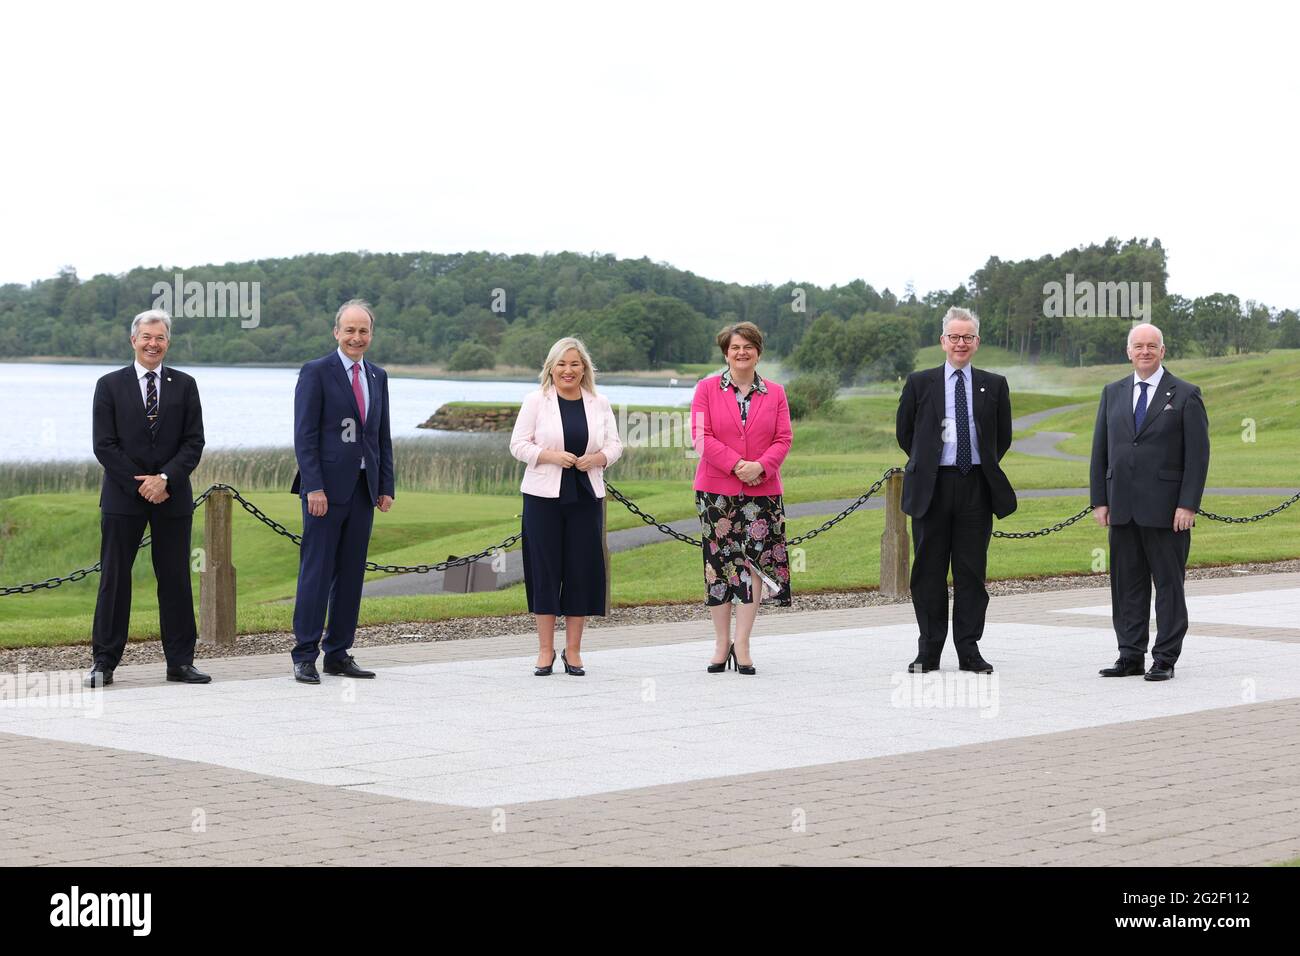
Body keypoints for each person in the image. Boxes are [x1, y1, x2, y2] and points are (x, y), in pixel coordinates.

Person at [86, 309, 210, 687]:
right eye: (146, 337)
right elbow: (104, 445)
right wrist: (141, 483)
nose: (153, 344)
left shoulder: (185, 385)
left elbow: (194, 442)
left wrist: (165, 479)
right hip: (123, 497)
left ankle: (180, 662)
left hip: (172, 496)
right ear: (133, 341)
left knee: (174, 578)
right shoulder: (109, 385)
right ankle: (104, 662)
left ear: (167, 342)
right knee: (115, 578)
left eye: (160, 338)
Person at [896, 307, 1016, 674]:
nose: (960, 343)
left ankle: (969, 649)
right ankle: (928, 651)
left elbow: (1002, 437)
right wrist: (930, 462)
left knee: (970, 573)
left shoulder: (993, 384)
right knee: (928, 572)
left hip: (975, 487)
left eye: (967, 337)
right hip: (932, 487)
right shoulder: (920, 383)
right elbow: (906, 433)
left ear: (976, 342)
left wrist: (977, 466)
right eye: (954, 336)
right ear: (942, 341)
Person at [1090, 322, 1209, 681]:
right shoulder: (1112, 392)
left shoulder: (1185, 394)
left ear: (1163, 351)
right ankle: (1129, 654)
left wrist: (1188, 504)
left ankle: (1165, 658)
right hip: (1122, 508)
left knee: (1169, 585)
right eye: (1138, 346)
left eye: (1151, 346)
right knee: (1126, 584)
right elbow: (1101, 451)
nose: (1144, 351)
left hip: (1167, 511)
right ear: (1128, 351)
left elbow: (1198, 457)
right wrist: (1100, 499)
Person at [289, 299, 394, 684]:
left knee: (351, 574)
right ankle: (304, 654)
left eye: (363, 330)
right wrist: (313, 486)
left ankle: (337, 653)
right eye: (349, 330)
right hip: (324, 493)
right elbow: (305, 436)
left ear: (371, 334)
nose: (356, 337)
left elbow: (380, 435)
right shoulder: (316, 372)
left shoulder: (378, 376)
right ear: (336, 332)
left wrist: (385, 485)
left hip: (364, 491)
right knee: (316, 573)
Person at [509, 337, 622, 677]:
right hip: (543, 498)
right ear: (551, 368)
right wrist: (549, 456)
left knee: (580, 570)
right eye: (562, 364)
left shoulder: (599, 403)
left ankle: (573, 651)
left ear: (584, 368)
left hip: (586, 496)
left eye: (575, 364)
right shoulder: (535, 401)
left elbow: (615, 444)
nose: (568, 370)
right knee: (545, 570)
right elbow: (517, 444)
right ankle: (545, 651)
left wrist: (599, 458)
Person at [690, 321, 792, 675]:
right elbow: (700, 437)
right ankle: (721, 644)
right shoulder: (705, 389)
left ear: (758, 351)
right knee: (719, 566)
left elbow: (784, 439)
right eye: (735, 347)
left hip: (762, 492)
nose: (742, 352)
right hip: (716, 491)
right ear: (726, 352)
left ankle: (743, 643)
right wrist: (735, 465)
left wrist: (760, 466)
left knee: (753, 566)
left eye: (748, 346)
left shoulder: (775, 393)